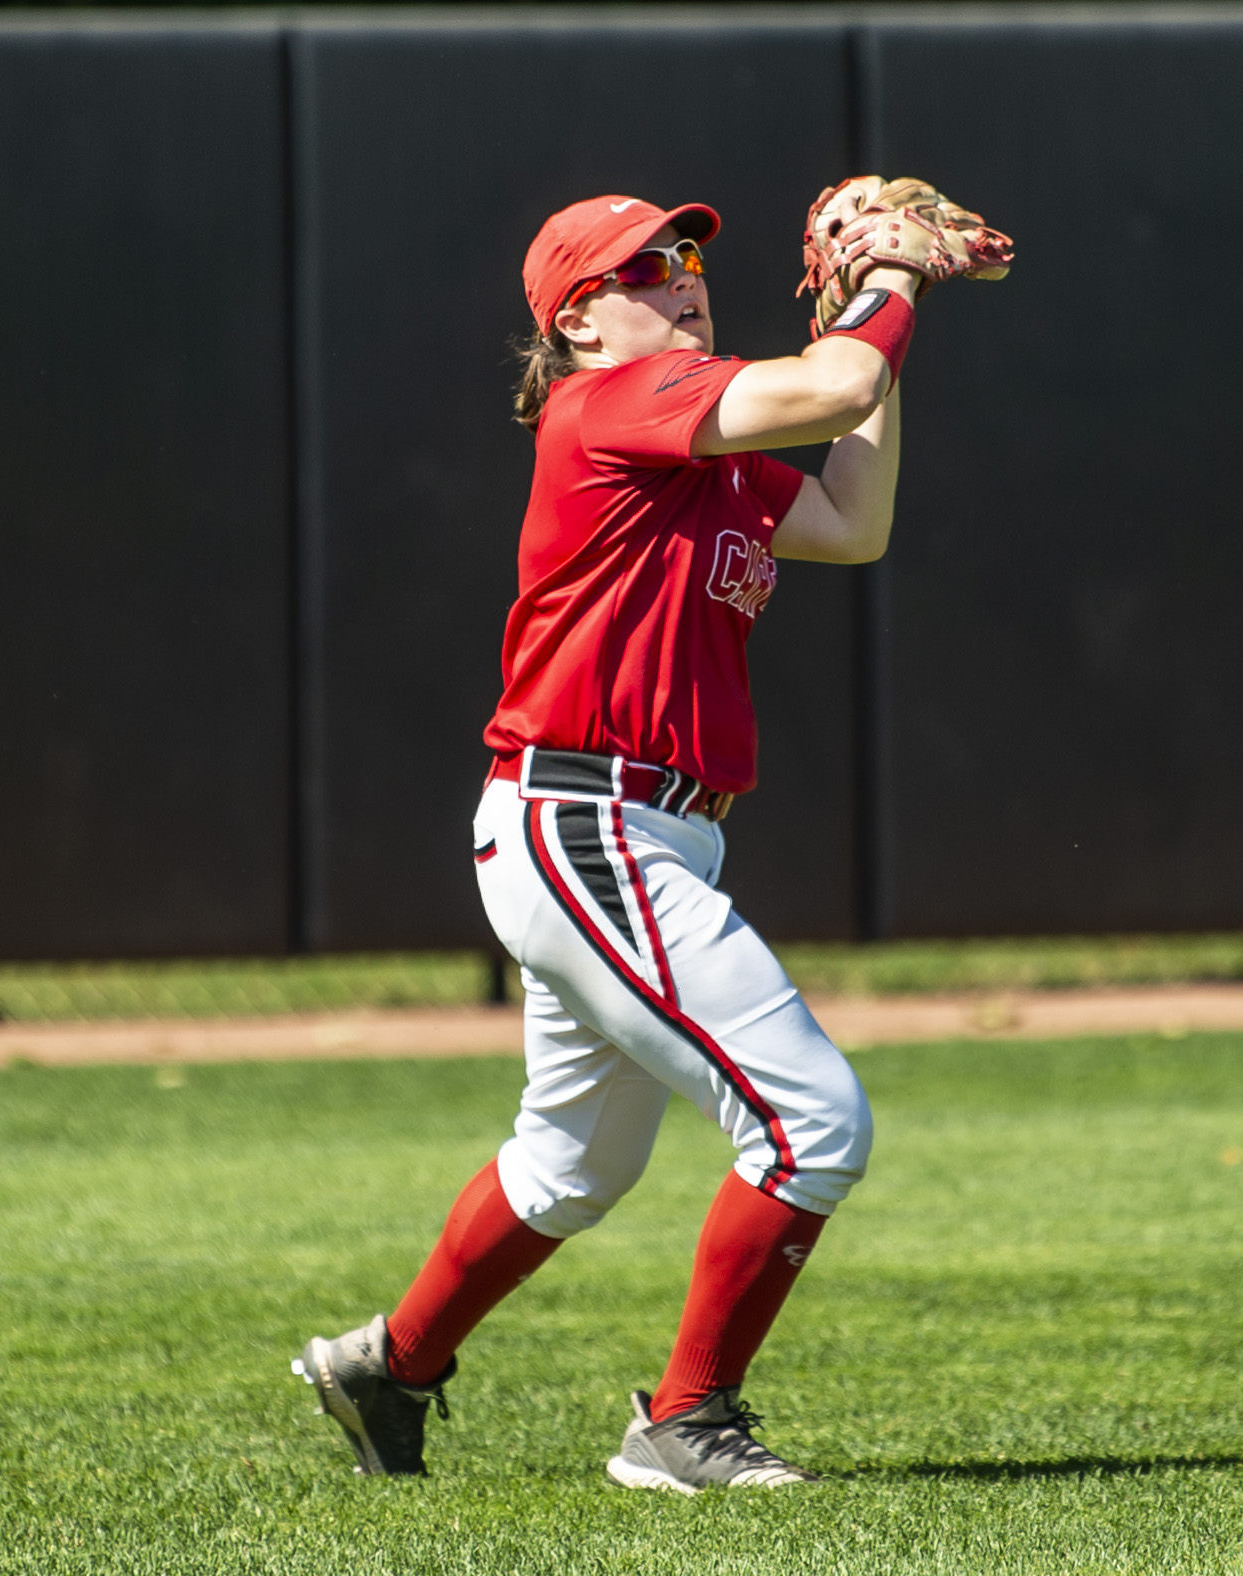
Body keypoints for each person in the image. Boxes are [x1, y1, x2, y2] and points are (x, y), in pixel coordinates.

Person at [294, 193, 926, 1493]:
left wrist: (865, 315)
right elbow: (843, 375)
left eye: (689, 255)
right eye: (644, 264)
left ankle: (384, 1366)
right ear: (579, 316)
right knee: (813, 1125)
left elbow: (854, 517)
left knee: (571, 1167)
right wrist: (892, 281)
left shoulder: (701, 445)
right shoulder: (617, 404)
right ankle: (684, 1424)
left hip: (631, 834)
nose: (682, 276)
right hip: (586, 820)